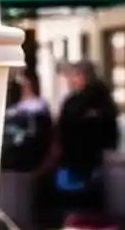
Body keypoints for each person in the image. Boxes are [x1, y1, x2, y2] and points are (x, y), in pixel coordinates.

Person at [50, 61, 120, 210]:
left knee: (74, 200)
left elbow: (63, 127)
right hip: (97, 160)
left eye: (74, 76)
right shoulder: (105, 102)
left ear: (82, 77)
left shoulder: (75, 103)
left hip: (76, 160)